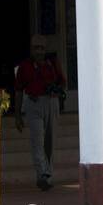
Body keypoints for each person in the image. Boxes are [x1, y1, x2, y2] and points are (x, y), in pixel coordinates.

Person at [13, 35, 65, 191]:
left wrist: (56, 89)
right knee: (37, 141)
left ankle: (48, 175)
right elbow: (18, 91)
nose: (39, 51)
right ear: (31, 49)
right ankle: (41, 174)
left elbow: (62, 82)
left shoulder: (53, 64)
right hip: (33, 103)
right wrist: (17, 115)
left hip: (51, 102)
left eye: (41, 48)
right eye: (36, 48)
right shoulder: (24, 66)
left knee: (50, 140)